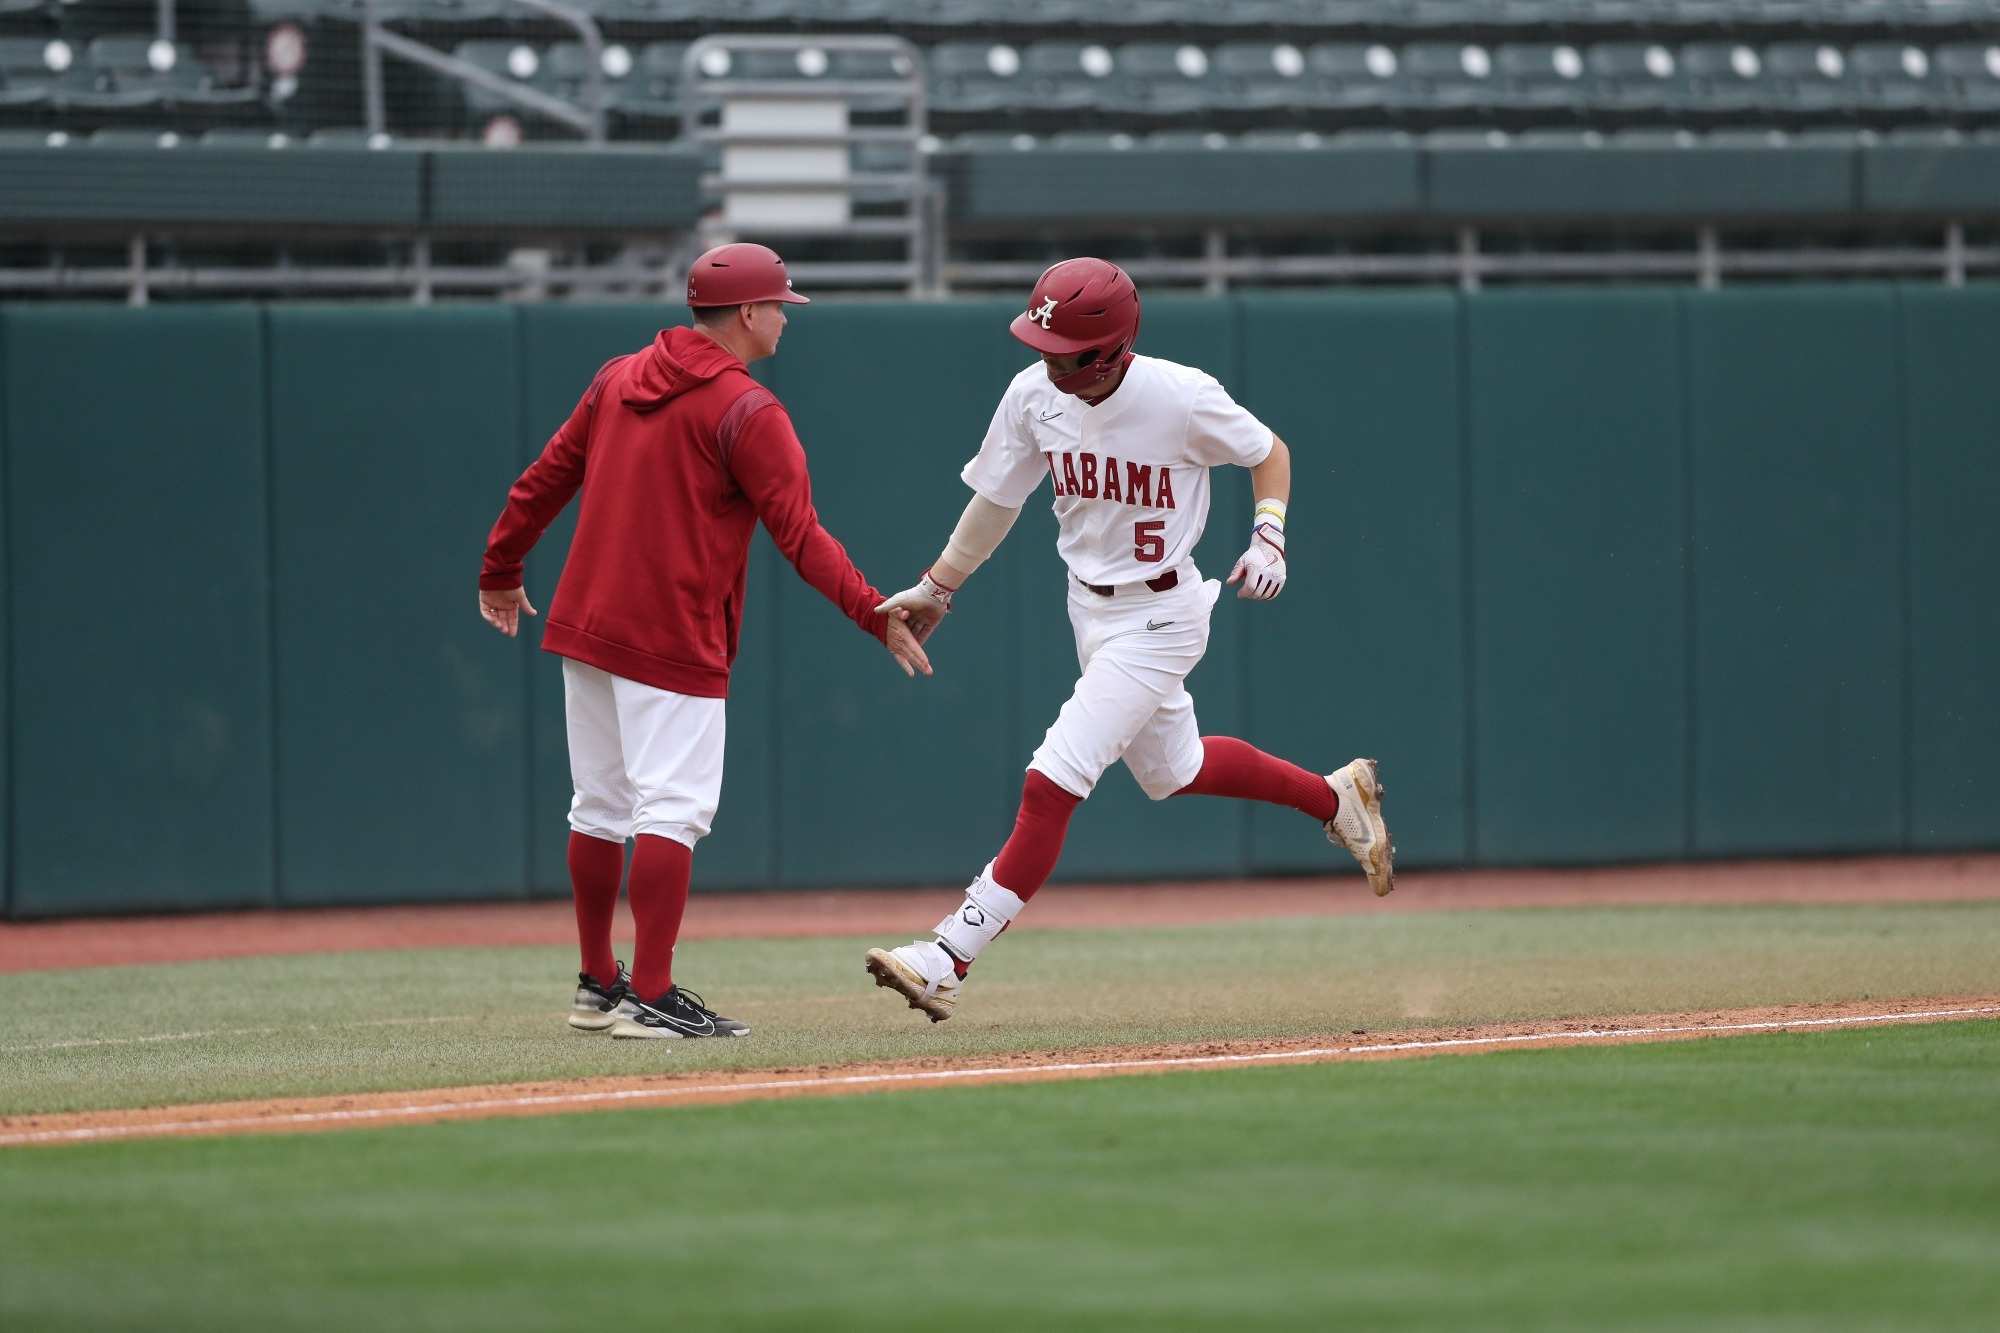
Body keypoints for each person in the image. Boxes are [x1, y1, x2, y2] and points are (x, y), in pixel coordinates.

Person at [863, 257, 1394, 1023]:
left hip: (1164, 614)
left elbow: (1269, 450)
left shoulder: (1179, 396)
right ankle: (1334, 796)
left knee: (1053, 778)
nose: (1047, 362)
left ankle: (947, 956)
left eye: (1065, 352)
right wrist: (939, 585)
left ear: (1112, 348)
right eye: (1039, 346)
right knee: (1175, 769)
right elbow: (996, 500)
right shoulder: (1032, 393)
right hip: (1092, 609)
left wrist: (1270, 534)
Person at [479, 242, 930, 1040]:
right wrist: (872, 610)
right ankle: (650, 993)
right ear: (749, 313)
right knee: (672, 809)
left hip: (586, 622)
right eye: (781, 307)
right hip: (672, 631)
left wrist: (501, 565)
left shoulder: (619, 376)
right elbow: (803, 536)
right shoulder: (748, 409)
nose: (787, 320)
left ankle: (598, 980)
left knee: (600, 805)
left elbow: (545, 476)